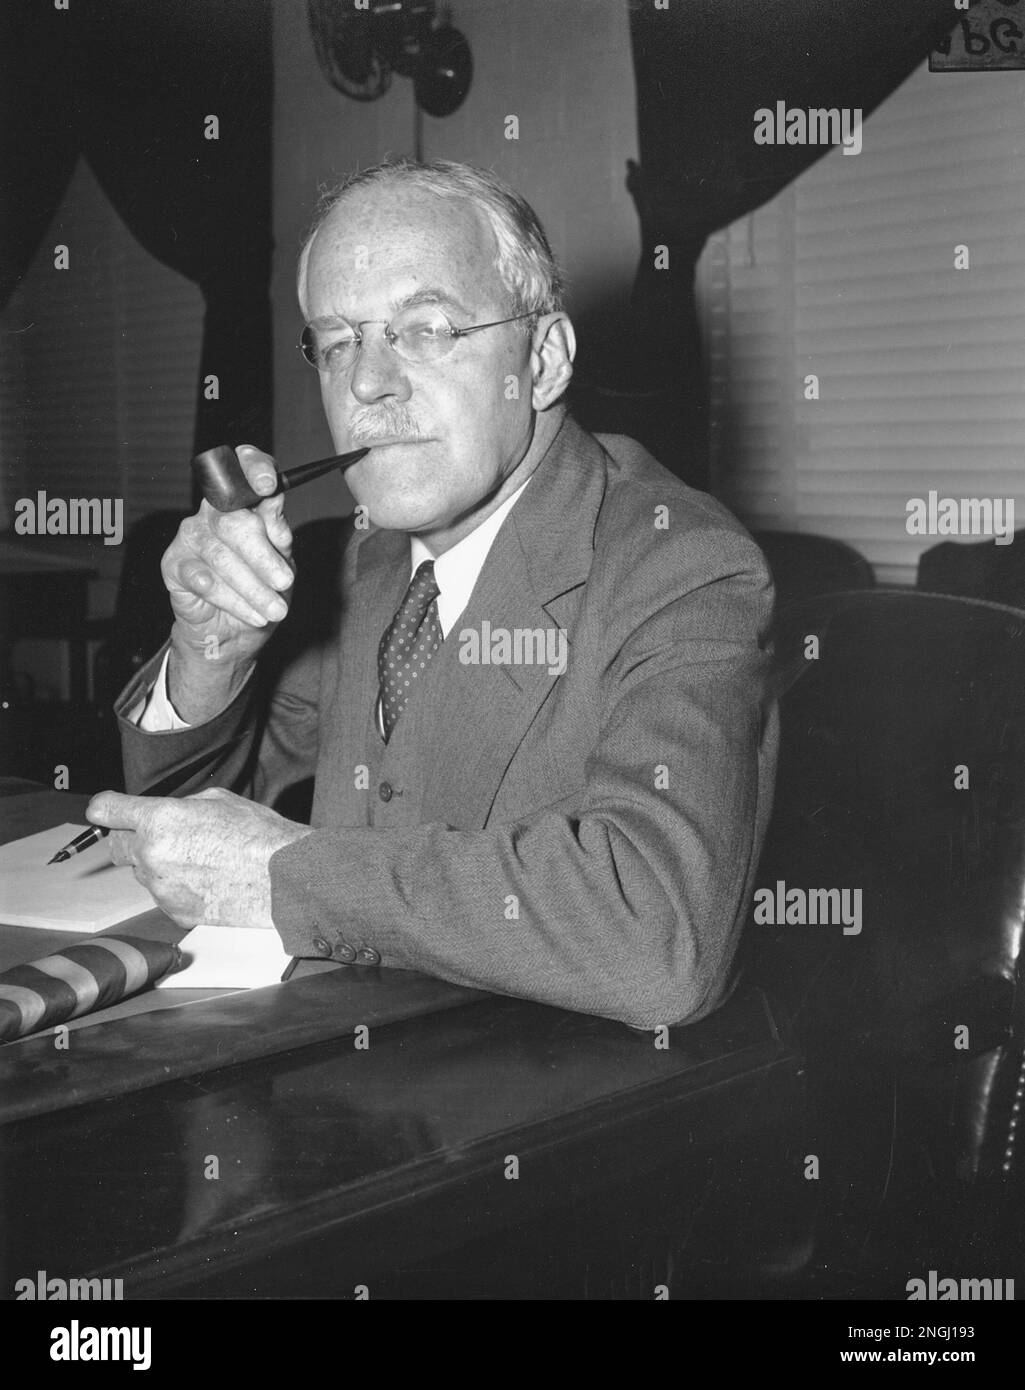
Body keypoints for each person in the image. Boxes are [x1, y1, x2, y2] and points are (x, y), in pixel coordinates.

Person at [88, 158, 777, 1030]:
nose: (368, 383)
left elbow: (659, 939)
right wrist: (209, 650)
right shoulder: (359, 564)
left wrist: (288, 875)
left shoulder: (682, 565)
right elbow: (196, 832)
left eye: (425, 329)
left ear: (546, 358)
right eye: (338, 344)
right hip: (342, 1066)